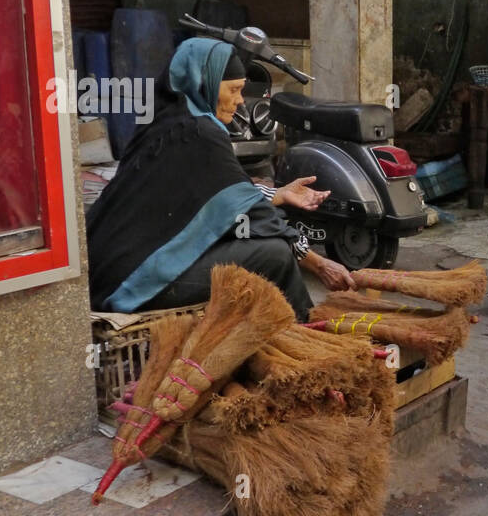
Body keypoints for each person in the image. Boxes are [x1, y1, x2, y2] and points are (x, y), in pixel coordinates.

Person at [87, 38, 354, 320]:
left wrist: (275, 193)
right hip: (135, 287)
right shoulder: (201, 133)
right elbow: (253, 216)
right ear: (207, 83)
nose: (240, 101)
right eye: (235, 90)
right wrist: (318, 263)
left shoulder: (165, 120)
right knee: (275, 254)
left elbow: (211, 192)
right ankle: (306, 336)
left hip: (105, 276)